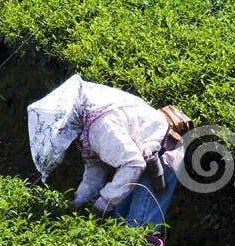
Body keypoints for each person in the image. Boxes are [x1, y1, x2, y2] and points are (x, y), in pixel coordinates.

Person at [27, 74, 191, 231]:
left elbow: (134, 164)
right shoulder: (86, 126)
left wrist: (102, 204)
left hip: (162, 155)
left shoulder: (100, 126)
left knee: (137, 227)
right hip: (143, 157)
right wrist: (78, 202)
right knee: (117, 218)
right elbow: (95, 169)